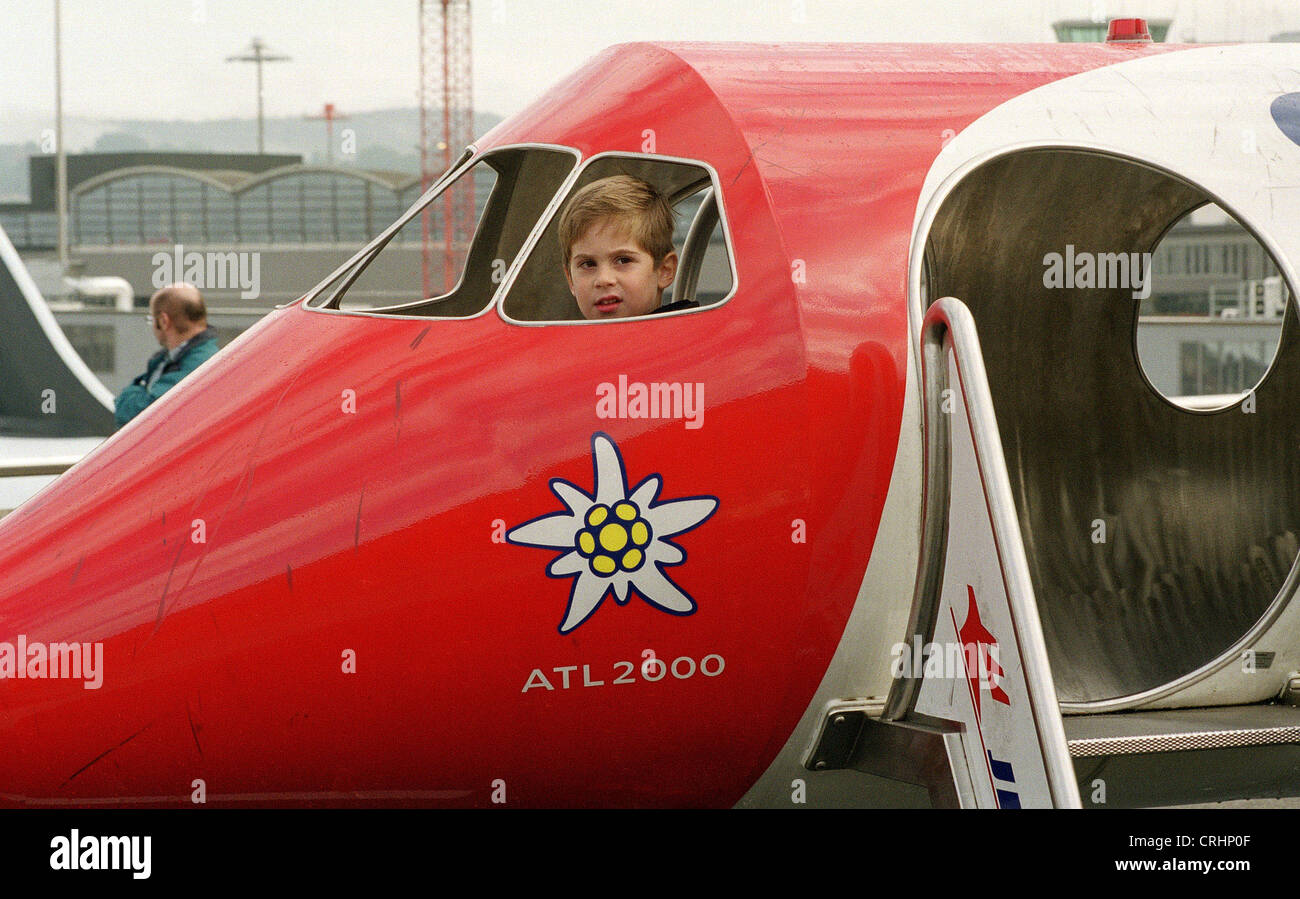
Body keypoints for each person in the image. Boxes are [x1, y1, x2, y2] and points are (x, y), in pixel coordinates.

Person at [558, 175, 697, 319]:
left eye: (623, 260)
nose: (604, 279)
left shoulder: (695, 336)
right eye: (588, 264)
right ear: (570, 279)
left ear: (664, 270)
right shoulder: (564, 340)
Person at [114, 283, 219, 427]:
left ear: (163, 321)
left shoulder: (196, 365)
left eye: (151, 319)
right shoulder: (183, 357)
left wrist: (128, 395)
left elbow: (143, 415)